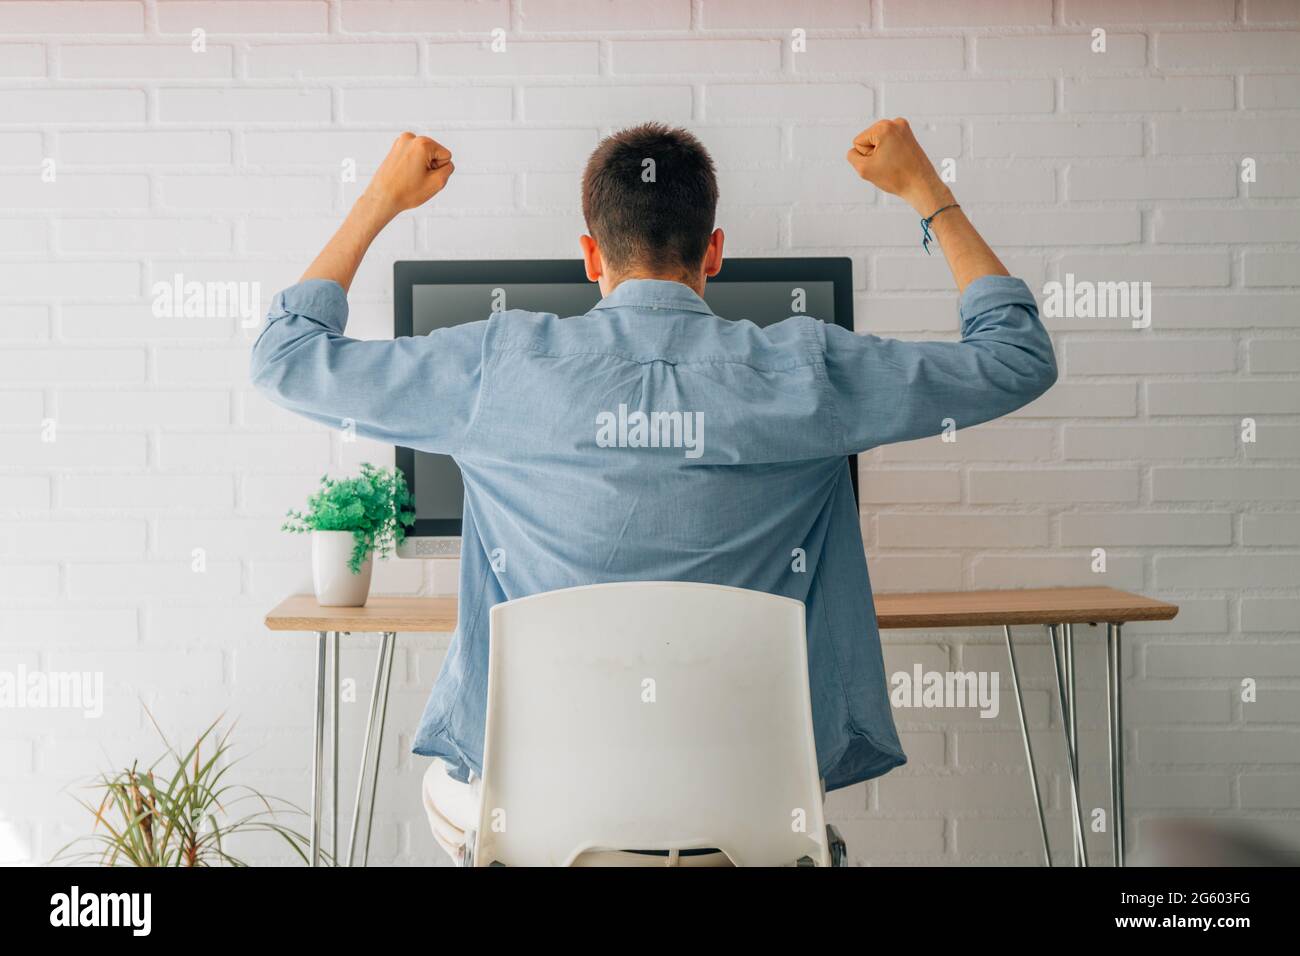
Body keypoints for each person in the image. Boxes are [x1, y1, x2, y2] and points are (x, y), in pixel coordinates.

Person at [250, 119, 1057, 864]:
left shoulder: (495, 369)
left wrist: (382, 198)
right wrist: (926, 192)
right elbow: (1018, 358)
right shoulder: (811, 372)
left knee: (446, 786)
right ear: (713, 252)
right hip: (752, 833)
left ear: (591, 256)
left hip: (541, 833)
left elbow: (285, 357)